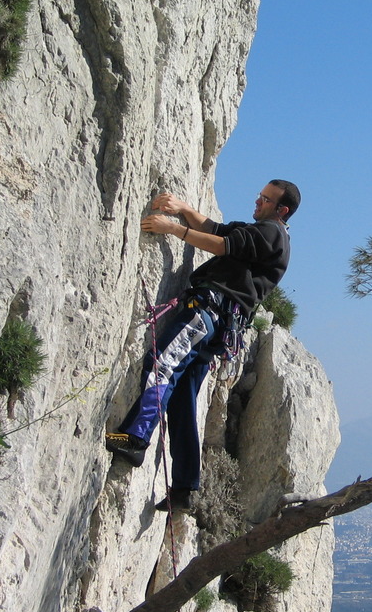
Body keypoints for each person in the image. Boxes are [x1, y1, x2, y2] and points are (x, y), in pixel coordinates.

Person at [105, 180, 299, 511]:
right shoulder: (264, 234)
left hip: (209, 312)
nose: (258, 200)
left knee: (162, 365)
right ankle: (184, 488)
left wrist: (173, 228)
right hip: (219, 326)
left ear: (282, 210)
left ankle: (134, 438)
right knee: (182, 400)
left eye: (266, 199)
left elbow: (220, 245)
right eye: (260, 195)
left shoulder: (271, 233)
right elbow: (216, 229)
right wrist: (184, 209)